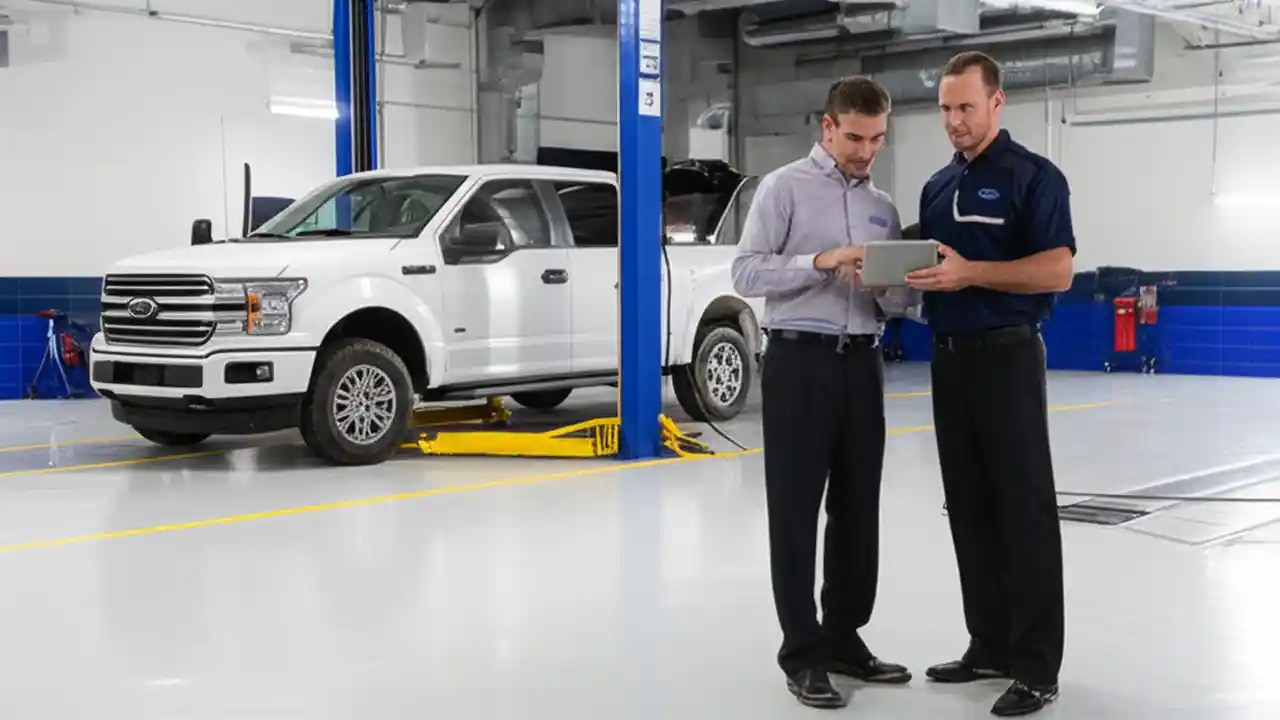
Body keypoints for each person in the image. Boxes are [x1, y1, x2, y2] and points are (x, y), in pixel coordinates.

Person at [731, 76, 916, 710]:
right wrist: (823, 261)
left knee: (858, 508)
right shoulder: (783, 188)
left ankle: (845, 638)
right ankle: (802, 654)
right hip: (799, 364)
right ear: (828, 128)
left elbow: (901, 300)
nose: (867, 151)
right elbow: (746, 271)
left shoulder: (883, 208)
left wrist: (892, 285)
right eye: (856, 138)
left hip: (862, 364)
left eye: (877, 139)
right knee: (795, 509)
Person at [905, 51, 1075, 717]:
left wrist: (974, 274)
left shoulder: (1034, 177)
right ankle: (990, 641)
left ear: (997, 103)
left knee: (1023, 510)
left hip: (1007, 358)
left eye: (965, 107)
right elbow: (935, 268)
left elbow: (1058, 270)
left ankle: (1036, 666)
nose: (953, 120)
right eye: (945, 108)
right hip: (948, 361)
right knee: (968, 506)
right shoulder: (937, 186)